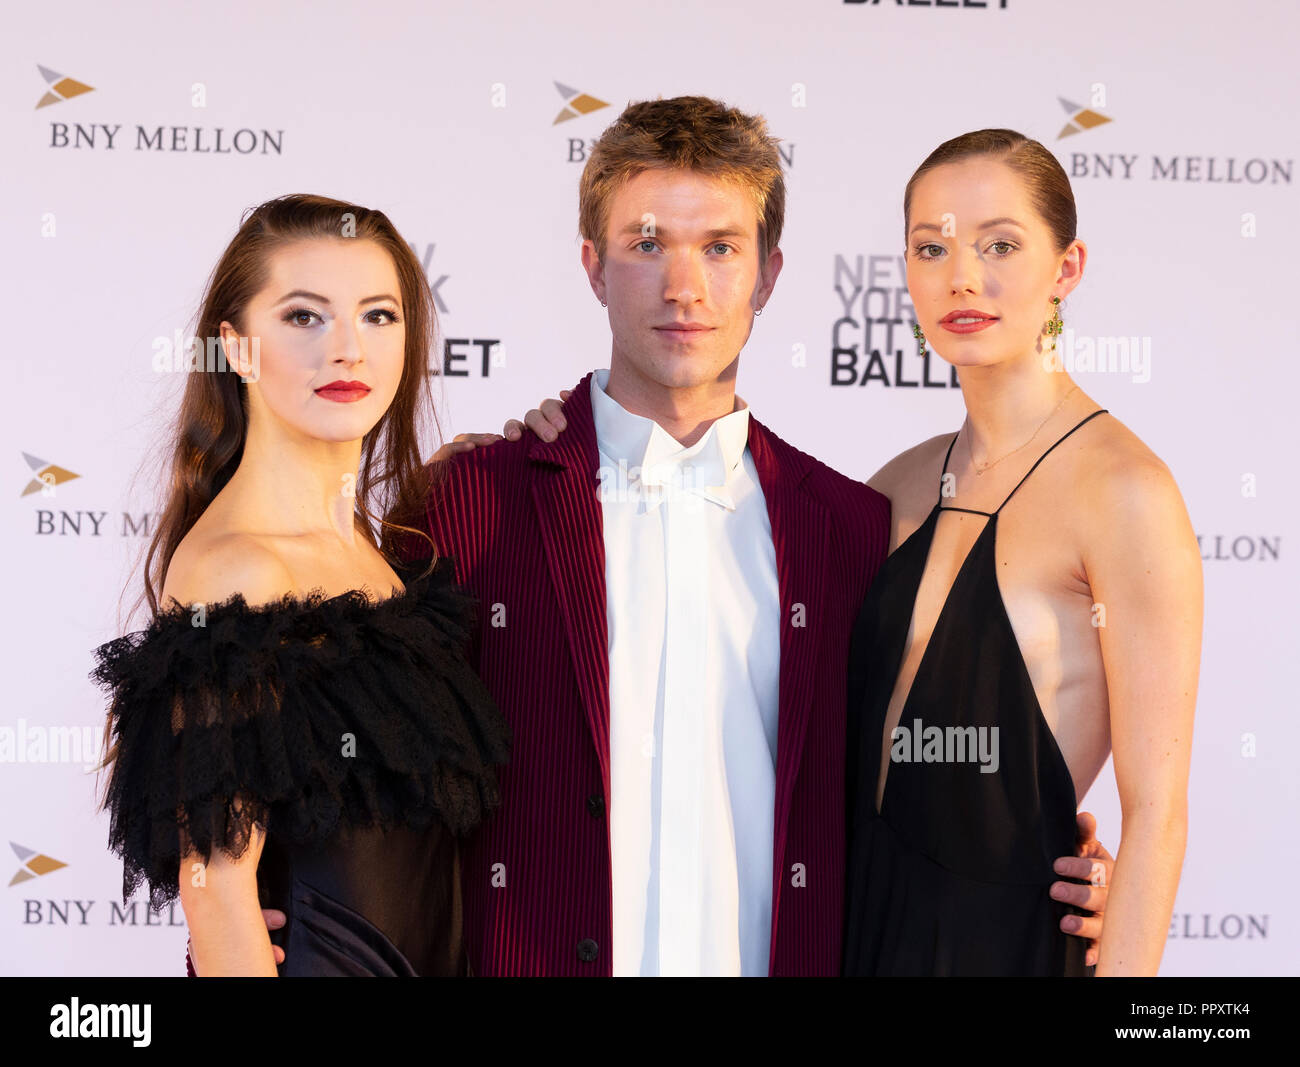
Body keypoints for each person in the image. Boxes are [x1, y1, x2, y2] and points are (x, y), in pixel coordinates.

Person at [384, 97, 1116, 975]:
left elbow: (904, 786)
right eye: (646, 244)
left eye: (721, 248)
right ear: (592, 266)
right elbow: (389, 793)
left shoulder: (853, 525)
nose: (683, 287)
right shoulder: (473, 501)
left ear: (769, 274)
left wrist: (1042, 871)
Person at [90, 194, 510, 976]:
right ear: (238, 348)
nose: (347, 349)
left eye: (378, 316)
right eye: (304, 318)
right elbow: (215, 884)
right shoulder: (237, 569)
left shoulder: (385, 556)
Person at [841, 129, 1201, 976]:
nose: (962, 275)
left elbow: (1157, 814)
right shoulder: (892, 485)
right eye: (933, 248)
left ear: (1066, 268)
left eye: (999, 244)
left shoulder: (1125, 491)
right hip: (849, 931)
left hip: (1004, 948)